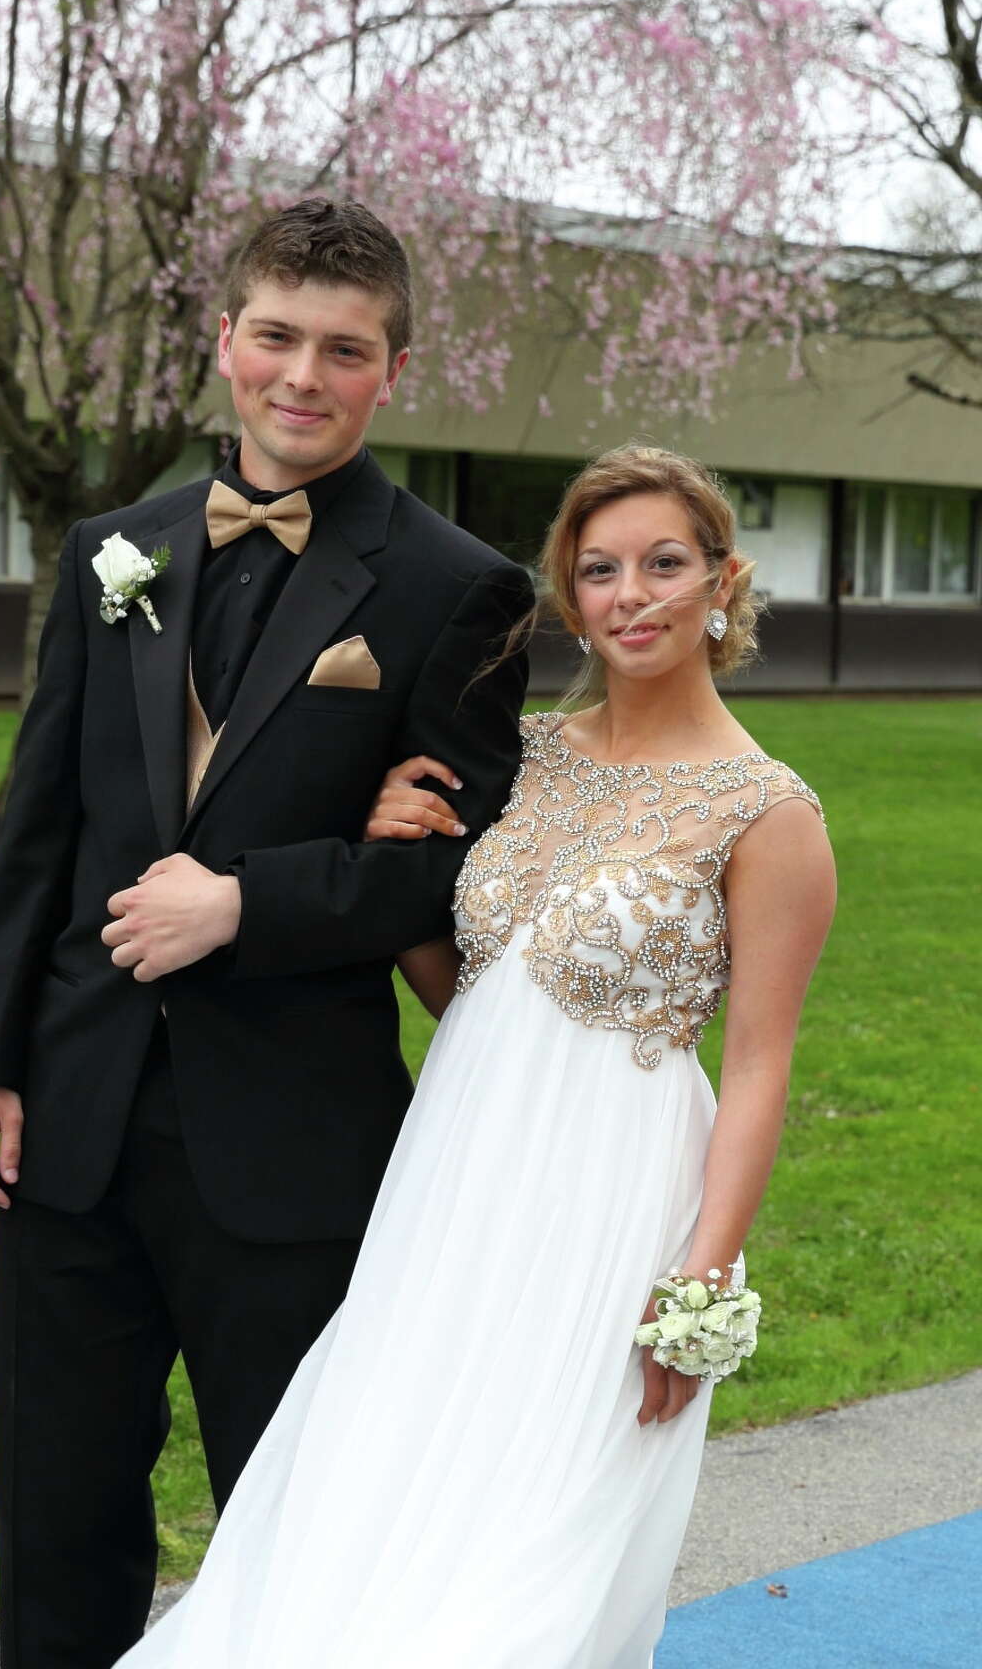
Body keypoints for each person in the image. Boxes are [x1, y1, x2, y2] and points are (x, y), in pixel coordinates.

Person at [114, 445, 837, 1668]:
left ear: (722, 582)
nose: (633, 594)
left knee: (534, 1545)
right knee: (388, 1490)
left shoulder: (770, 813)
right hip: (455, 1180)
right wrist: (391, 844)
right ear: (571, 598)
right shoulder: (529, 762)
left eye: (665, 563)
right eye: (599, 569)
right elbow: (476, 984)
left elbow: (762, 1065)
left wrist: (701, 1285)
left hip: (616, 1199)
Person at [0, 197, 532, 1668]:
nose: (301, 376)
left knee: (298, 1521)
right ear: (224, 342)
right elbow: (44, 832)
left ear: (395, 367)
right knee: (58, 1509)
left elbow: (462, 876)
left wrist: (249, 901)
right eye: (274, 336)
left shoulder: (460, 586)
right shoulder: (110, 552)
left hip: (291, 1142)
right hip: (73, 1123)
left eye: (344, 348)